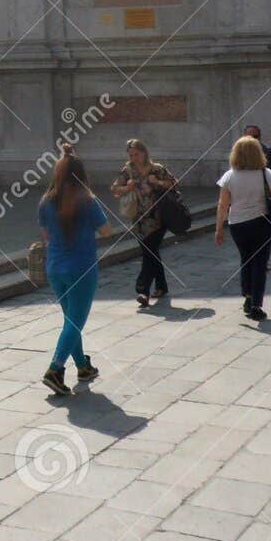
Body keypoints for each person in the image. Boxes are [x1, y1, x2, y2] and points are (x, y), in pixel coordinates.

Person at [37, 143, 116, 396]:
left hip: (55, 267)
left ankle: (83, 366)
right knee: (74, 322)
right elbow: (106, 231)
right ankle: (55, 369)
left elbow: (47, 236)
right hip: (82, 267)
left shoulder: (46, 201)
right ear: (82, 174)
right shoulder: (87, 201)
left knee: (70, 320)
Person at [215, 136, 271, 321]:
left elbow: (223, 205)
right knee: (260, 263)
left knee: (246, 259)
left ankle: (247, 296)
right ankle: (256, 304)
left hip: (237, 224)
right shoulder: (265, 173)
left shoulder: (229, 176)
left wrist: (219, 229)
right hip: (261, 222)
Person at [109, 139, 177, 307]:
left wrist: (157, 182)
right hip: (139, 219)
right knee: (151, 252)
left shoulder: (157, 169)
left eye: (136, 154)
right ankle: (161, 286)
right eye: (131, 155)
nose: (133, 158)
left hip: (160, 218)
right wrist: (127, 188)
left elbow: (173, 184)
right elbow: (115, 189)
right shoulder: (128, 171)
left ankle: (143, 291)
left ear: (144, 152)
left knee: (149, 252)